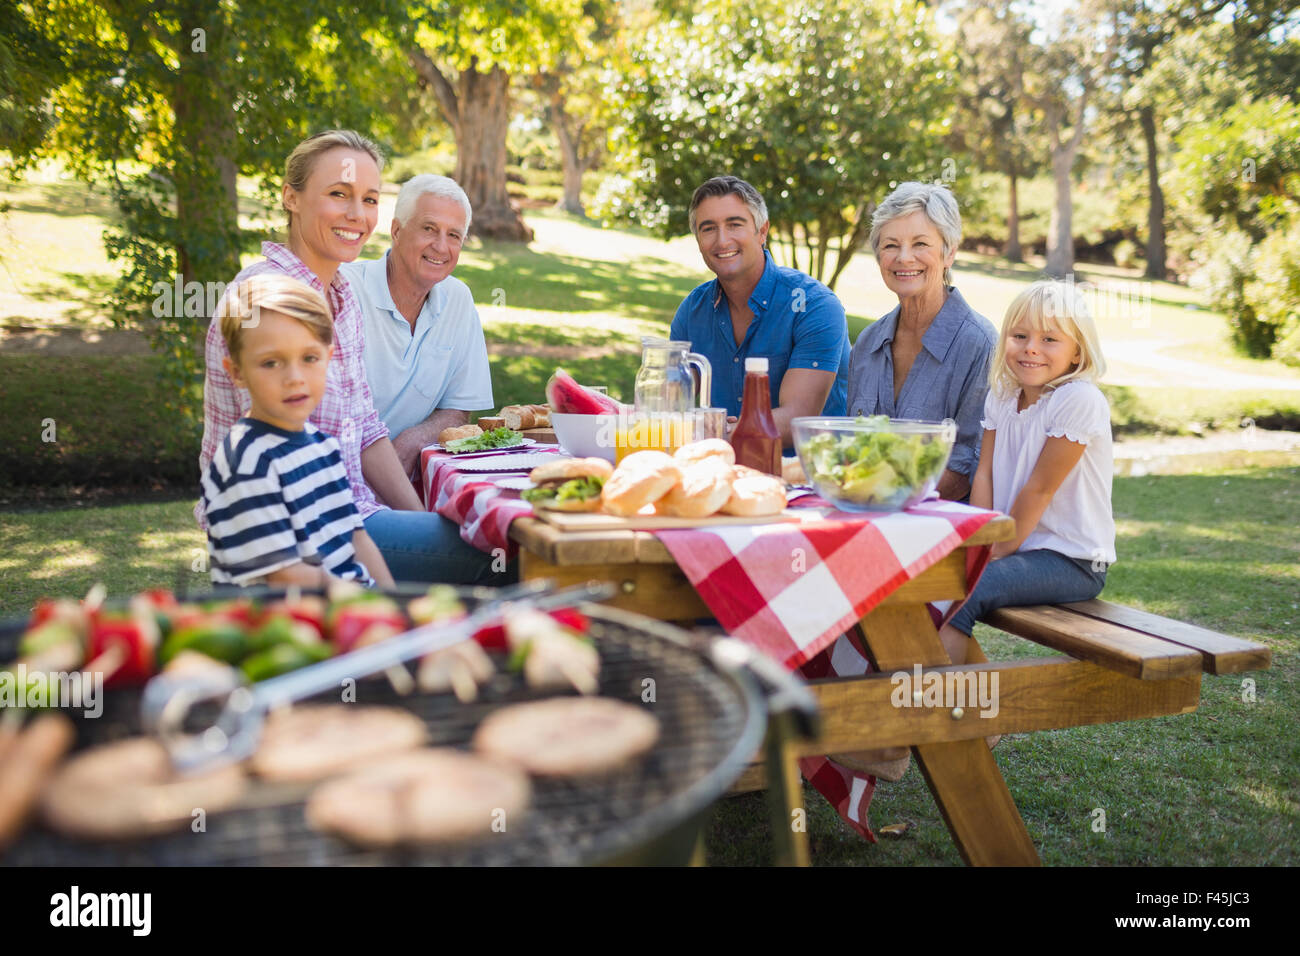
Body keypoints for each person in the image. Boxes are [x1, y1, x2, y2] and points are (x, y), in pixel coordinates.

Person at [197, 129, 508, 585]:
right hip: (292, 541)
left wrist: (418, 521)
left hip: (350, 516)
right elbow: (253, 486)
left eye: (368, 199)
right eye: (338, 195)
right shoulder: (267, 300)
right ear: (292, 198)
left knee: (487, 536)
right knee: (504, 555)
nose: (356, 215)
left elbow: (365, 429)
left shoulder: (341, 296)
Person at [939, 279, 1114, 664]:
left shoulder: (1079, 400)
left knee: (959, 591)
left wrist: (995, 551)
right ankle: (983, 711)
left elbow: (1039, 490)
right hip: (1014, 548)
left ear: (1076, 352)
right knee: (922, 582)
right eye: (1020, 335)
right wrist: (978, 542)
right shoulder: (1002, 395)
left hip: (1071, 560)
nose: (1031, 347)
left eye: (1050, 339)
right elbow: (982, 473)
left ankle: (957, 715)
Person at [202, 275, 394, 590]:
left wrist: (394, 605)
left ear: (328, 359)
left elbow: (357, 538)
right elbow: (289, 579)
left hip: (343, 610)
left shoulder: (322, 446)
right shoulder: (247, 463)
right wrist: (366, 606)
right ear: (236, 371)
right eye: (271, 363)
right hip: (285, 625)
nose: (294, 378)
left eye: (309, 358)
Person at [670, 176, 850, 446]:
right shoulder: (692, 312)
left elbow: (797, 419)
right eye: (708, 229)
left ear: (762, 231)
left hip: (808, 476)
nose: (722, 240)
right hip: (725, 468)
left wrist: (716, 433)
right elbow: (668, 407)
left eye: (735, 225)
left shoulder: (815, 306)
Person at [846, 182, 996, 500]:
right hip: (866, 519)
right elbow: (851, 449)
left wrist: (878, 491)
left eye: (920, 244)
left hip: (941, 534)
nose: (904, 258)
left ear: (949, 252)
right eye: (890, 246)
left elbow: (965, 469)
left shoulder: (979, 346)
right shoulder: (867, 344)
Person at [340, 174, 493, 478]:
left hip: (410, 485)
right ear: (396, 230)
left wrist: (417, 437)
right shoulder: (344, 291)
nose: (441, 247)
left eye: (454, 235)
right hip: (342, 486)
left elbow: (459, 408)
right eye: (429, 229)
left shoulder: (458, 299)